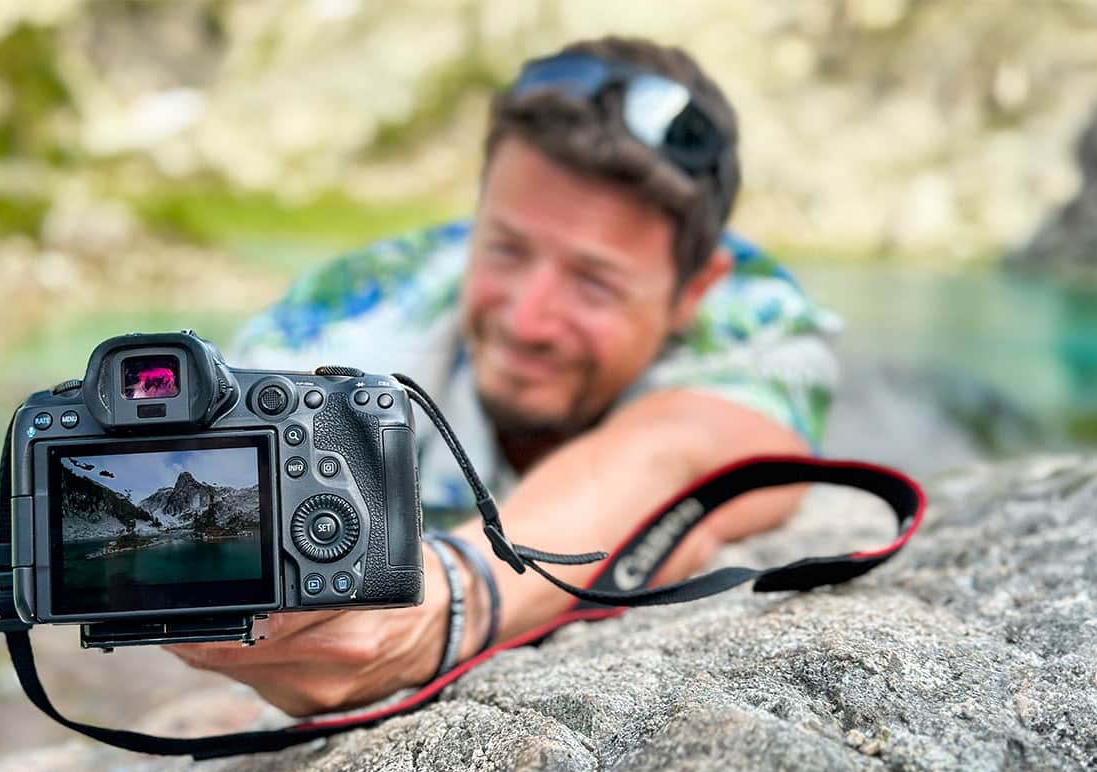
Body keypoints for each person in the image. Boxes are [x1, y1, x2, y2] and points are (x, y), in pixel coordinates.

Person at [166, 37, 841, 716]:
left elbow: (673, 455)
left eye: (595, 283)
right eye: (505, 249)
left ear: (694, 291)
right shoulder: (338, 323)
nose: (527, 319)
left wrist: (451, 604)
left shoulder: (759, 317)